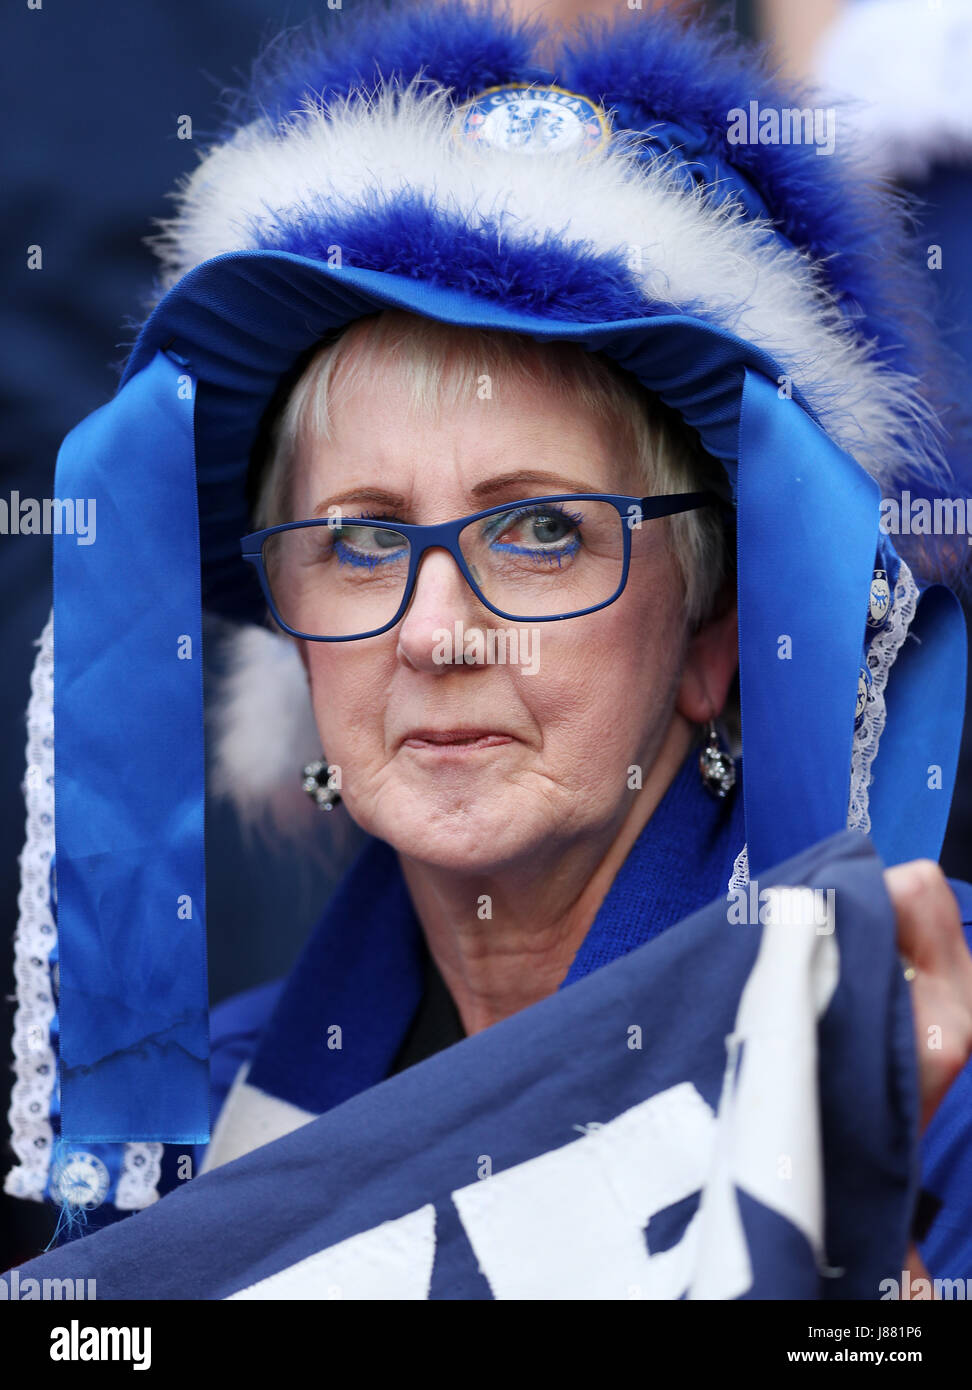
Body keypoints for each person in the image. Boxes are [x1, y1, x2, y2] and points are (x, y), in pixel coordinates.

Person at [6, 0, 972, 1295]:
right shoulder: (206, 1134)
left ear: (713, 639)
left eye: (538, 533)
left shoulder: (921, 1052)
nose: (436, 631)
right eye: (359, 540)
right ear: (291, 623)